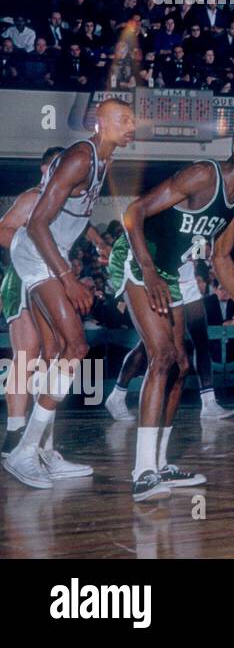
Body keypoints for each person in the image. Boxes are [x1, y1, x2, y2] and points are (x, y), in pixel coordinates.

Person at [104, 124, 234, 500]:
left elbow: (221, 257)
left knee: (181, 365)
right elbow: (134, 212)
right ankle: (142, 472)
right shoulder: (202, 174)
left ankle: (160, 466)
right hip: (138, 258)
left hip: (176, 268)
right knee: (161, 357)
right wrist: (148, 273)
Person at [3, 99, 134, 489]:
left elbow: (71, 218)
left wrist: (94, 244)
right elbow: (39, 223)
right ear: (100, 122)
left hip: (50, 254)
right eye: (123, 119)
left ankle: (42, 450)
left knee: (57, 350)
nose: (132, 126)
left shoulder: (103, 161)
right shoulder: (80, 157)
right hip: (35, 253)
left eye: (132, 119)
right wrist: (68, 277)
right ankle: (24, 451)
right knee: (75, 346)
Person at [0, 147, 76, 463]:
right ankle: (15, 431)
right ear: (44, 168)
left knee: (54, 352)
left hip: (49, 279)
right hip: (22, 275)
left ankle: (41, 436)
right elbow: (3, 229)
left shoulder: (67, 205)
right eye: (53, 168)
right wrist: (36, 252)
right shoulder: (33, 197)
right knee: (27, 352)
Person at [104, 266, 234, 423]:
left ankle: (209, 403)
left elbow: (198, 249)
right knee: (150, 344)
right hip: (164, 278)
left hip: (187, 280)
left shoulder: (196, 245)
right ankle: (117, 395)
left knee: (201, 339)